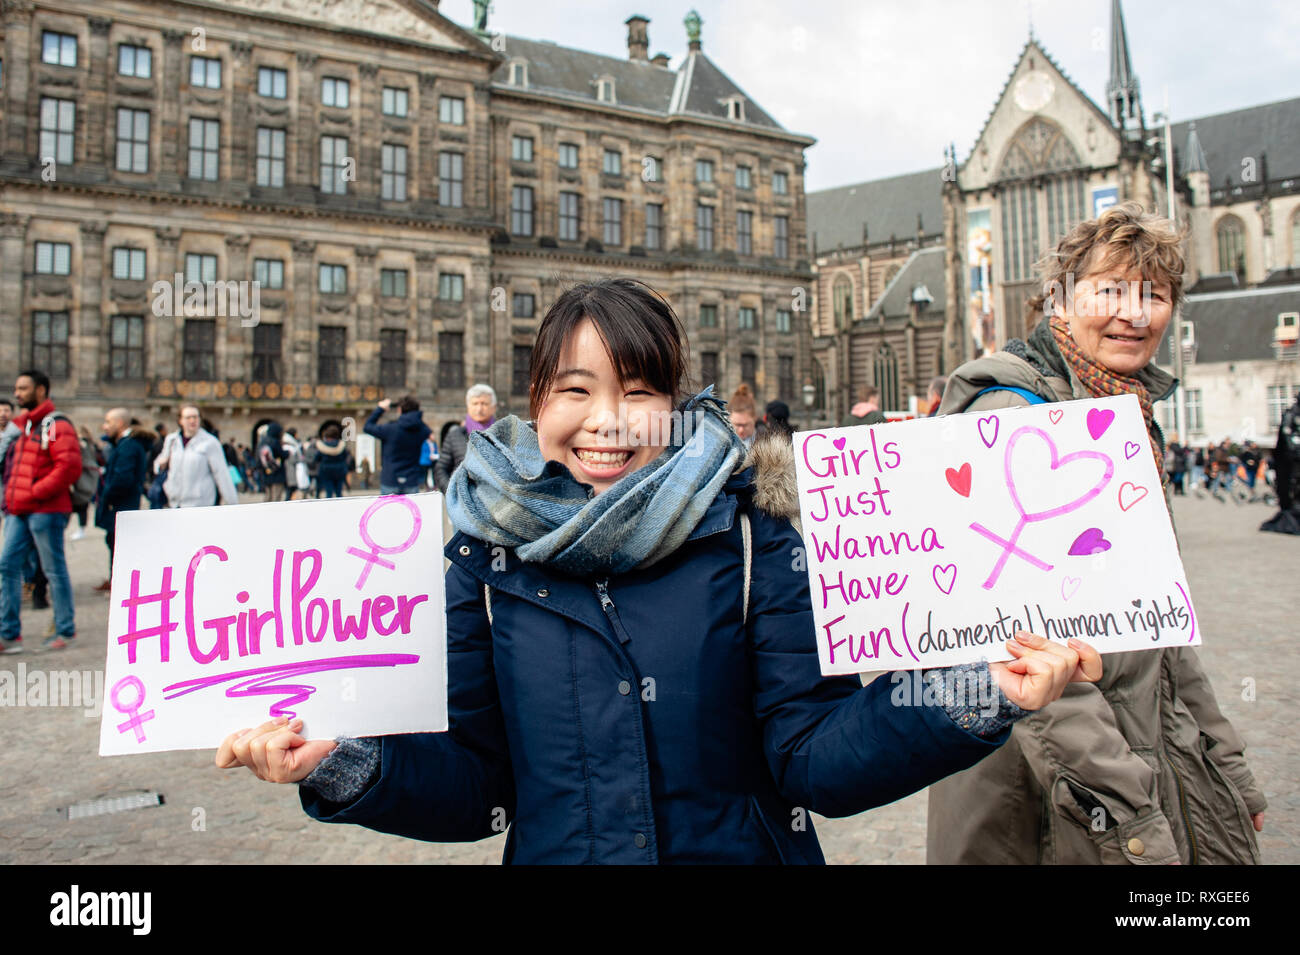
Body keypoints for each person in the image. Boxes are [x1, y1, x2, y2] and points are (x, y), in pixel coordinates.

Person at [216, 277, 1101, 864]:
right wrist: (340, 763)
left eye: (639, 392)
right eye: (576, 390)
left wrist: (971, 694)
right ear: (534, 403)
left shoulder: (758, 542)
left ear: (676, 407)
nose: (608, 420)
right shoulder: (479, 560)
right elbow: (478, 791)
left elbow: (812, 760)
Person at [928, 201, 1265, 865]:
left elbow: (1163, 632)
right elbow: (1023, 652)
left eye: (1155, 293)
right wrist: (1129, 814)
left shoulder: (1128, 411)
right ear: (1061, 296)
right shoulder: (1015, 410)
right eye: (1110, 289)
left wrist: (1227, 766)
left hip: (1129, 753)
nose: (1134, 313)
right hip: (1041, 792)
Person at [0, 370, 81, 652]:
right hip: (19, 510)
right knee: (7, 566)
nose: (17, 393)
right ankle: (9, 635)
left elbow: (68, 467)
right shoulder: (24, 426)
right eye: (16, 387)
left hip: (45, 510)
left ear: (41, 390)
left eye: (23, 388)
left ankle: (64, 630)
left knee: (53, 570)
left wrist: (35, 493)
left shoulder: (56, 425)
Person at [93, 409, 154, 589]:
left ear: (119, 423)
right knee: (115, 542)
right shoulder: (128, 444)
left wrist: (107, 495)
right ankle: (116, 579)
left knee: (118, 544)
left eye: (108, 422)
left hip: (122, 504)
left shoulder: (128, 446)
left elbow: (123, 478)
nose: (105, 426)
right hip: (123, 503)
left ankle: (119, 582)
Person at [155, 405, 238, 510]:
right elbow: (159, 463)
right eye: (188, 417)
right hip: (174, 503)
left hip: (200, 504)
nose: (192, 420)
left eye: (195, 417)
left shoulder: (210, 442)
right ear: (180, 420)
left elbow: (221, 473)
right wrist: (160, 464)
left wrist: (233, 504)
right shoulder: (172, 440)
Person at [433, 384, 497, 493]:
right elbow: (441, 468)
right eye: (475, 403)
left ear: (493, 407)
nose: (479, 408)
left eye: (484, 404)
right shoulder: (455, 435)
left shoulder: (502, 434)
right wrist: (451, 492)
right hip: (463, 501)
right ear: (468, 406)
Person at [364, 395, 432, 495]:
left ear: (399, 410)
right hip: (411, 480)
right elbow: (428, 430)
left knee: (389, 510)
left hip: (390, 479)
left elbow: (367, 427)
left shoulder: (390, 429)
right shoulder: (421, 430)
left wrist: (380, 409)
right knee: (410, 510)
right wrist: (417, 415)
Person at [313, 422, 353, 499]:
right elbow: (346, 457)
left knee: (329, 492)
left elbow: (316, 459)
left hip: (326, 471)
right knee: (339, 492)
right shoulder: (341, 445)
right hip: (339, 471)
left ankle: (330, 509)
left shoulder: (322, 446)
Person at [257, 422, 288, 503]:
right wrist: (287, 453)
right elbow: (282, 454)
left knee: (268, 496)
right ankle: (274, 514)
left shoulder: (261, 442)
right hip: (277, 472)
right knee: (276, 496)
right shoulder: (275, 441)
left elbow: (258, 458)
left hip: (266, 472)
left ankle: (265, 513)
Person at [728, 383, 757, 450]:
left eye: (745, 425)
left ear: (754, 419)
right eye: (737, 425)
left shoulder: (765, 444)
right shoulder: (721, 445)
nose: (741, 430)